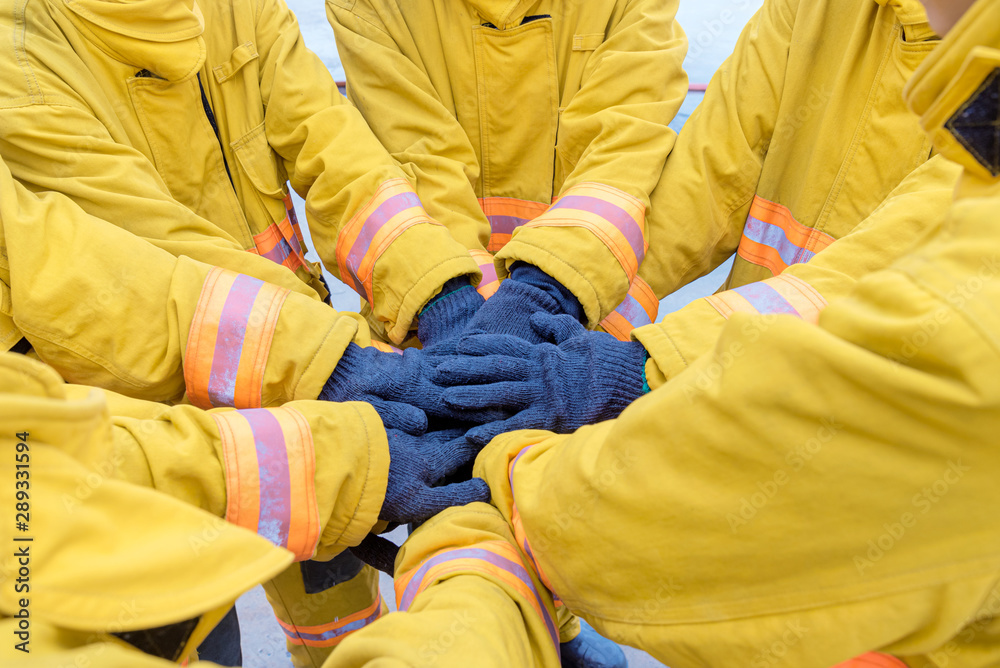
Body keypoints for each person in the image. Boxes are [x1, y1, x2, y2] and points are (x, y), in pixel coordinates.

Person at [318, 0, 1000, 664]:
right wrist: (554, 307)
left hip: (835, 504)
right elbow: (708, 172)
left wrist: (598, 389)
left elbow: (892, 297)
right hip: (728, 393)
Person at [0, 0, 494, 661]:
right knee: (187, 623)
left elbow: (335, 149)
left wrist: (439, 292)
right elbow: (149, 257)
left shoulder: (239, 9)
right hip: (152, 414)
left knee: (338, 606)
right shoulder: (23, 61)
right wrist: (345, 362)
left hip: (306, 378)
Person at [327, 0, 688, 350]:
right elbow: (417, 158)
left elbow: (620, 148)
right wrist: (459, 306)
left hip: (587, 322)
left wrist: (541, 296)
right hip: (434, 324)